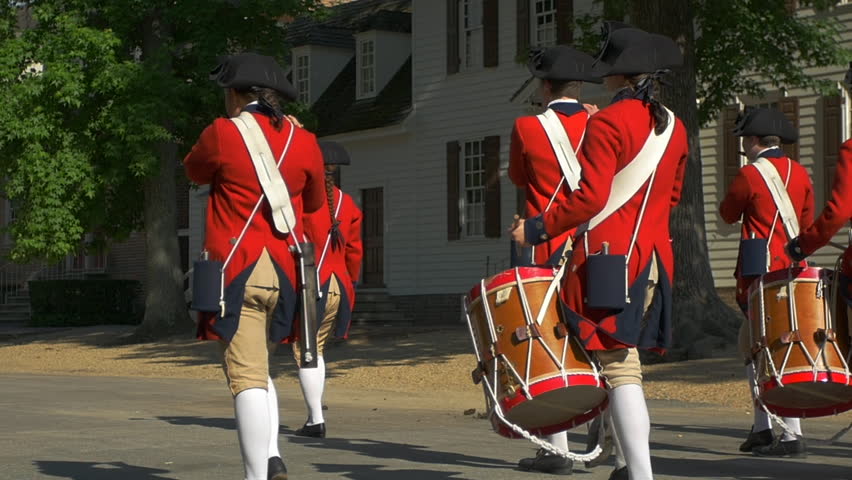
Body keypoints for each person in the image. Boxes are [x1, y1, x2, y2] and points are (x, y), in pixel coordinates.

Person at [511, 26, 687, 480]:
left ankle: (639, 473)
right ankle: (627, 466)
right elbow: (670, 199)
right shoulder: (675, 125)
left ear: (618, 77)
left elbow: (590, 199)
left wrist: (536, 227)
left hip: (608, 258)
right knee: (620, 361)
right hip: (652, 260)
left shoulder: (607, 122)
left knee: (619, 366)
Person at [184, 52, 326, 480]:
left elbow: (193, 169)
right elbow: (316, 202)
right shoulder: (306, 140)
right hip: (286, 272)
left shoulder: (223, 133)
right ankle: (271, 456)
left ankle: (256, 475)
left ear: (234, 95)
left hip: (239, 268)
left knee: (245, 376)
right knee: (261, 368)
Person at [507, 44, 601, 475]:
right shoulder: (600, 122)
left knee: (550, 341)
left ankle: (556, 447)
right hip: (592, 244)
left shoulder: (527, 126)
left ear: (545, 86)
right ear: (578, 86)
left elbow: (518, 176)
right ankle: (607, 437)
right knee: (599, 339)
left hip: (546, 244)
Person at [719, 107, 812, 458]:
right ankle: (762, 427)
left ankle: (790, 434)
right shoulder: (801, 173)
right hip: (792, 270)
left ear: (755, 141)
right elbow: (805, 222)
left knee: (764, 350)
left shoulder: (749, 174)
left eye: (745, 140)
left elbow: (728, 214)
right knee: (763, 347)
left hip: (759, 274)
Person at [293, 141, 363, 438]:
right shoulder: (348, 204)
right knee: (316, 349)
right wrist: (351, 281)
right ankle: (314, 416)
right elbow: (354, 251)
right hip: (339, 283)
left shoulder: (304, 204)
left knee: (306, 350)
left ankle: (315, 419)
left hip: (315, 283)